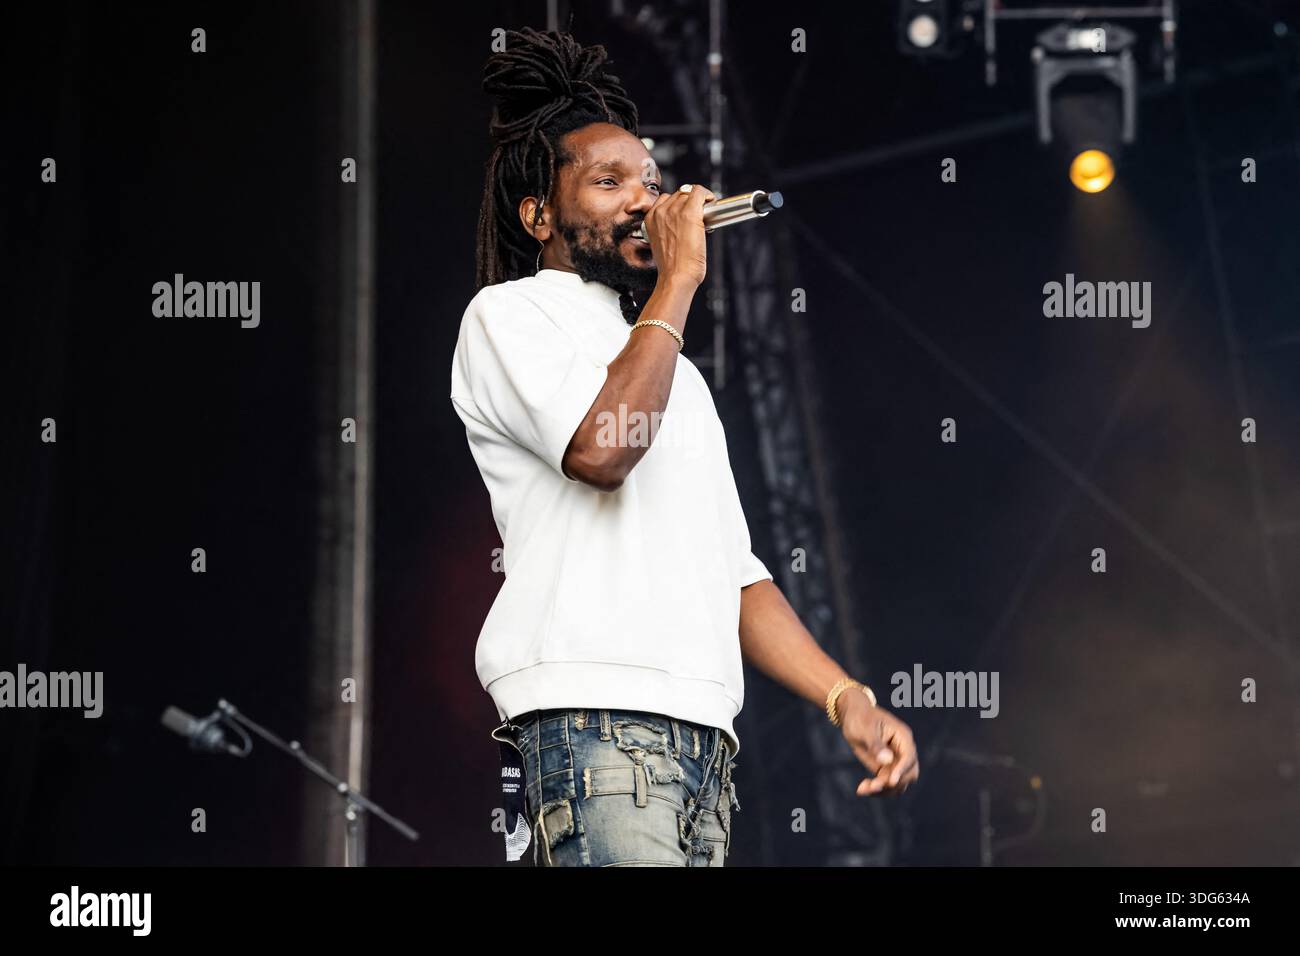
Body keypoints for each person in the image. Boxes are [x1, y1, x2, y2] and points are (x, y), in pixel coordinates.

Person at [450, 27, 918, 867]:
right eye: (609, 181)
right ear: (539, 214)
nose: (644, 199)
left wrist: (844, 696)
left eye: (653, 182)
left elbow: (733, 570)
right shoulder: (511, 316)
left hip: (703, 747)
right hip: (593, 726)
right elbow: (601, 451)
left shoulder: (677, 377)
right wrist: (680, 278)